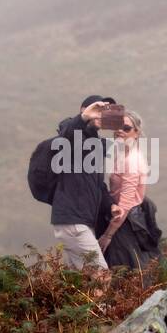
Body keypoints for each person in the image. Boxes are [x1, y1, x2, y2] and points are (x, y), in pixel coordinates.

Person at [50, 95, 116, 272]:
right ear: (84, 110)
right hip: (73, 220)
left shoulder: (93, 144)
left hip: (82, 221)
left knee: (80, 281)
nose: (102, 116)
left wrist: (110, 205)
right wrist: (84, 117)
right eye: (99, 111)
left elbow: (98, 185)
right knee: (101, 277)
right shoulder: (70, 131)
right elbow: (66, 135)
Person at [98, 111, 157, 269]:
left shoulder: (132, 161)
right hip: (120, 218)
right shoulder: (122, 154)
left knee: (122, 271)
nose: (120, 130)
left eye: (126, 128)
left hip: (125, 223)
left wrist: (108, 235)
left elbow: (125, 203)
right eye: (117, 126)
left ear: (136, 133)